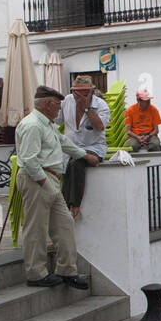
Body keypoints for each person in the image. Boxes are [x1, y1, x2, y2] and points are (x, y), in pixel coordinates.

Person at [15, 86, 89, 289]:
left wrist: (85, 155)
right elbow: (29, 160)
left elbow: (64, 142)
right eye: (58, 105)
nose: (60, 109)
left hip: (51, 180)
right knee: (36, 228)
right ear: (48, 105)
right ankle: (36, 273)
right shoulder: (32, 125)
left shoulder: (48, 125)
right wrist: (43, 182)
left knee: (65, 224)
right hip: (37, 179)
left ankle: (67, 270)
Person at [60, 74, 109, 220]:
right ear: (73, 92)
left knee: (76, 162)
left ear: (91, 92)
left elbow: (100, 127)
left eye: (86, 93)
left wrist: (88, 109)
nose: (82, 96)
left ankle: (74, 206)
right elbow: (55, 119)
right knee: (66, 167)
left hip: (93, 147)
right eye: (78, 93)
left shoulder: (100, 105)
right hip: (70, 148)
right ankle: (64, 207)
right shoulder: (66, 101)